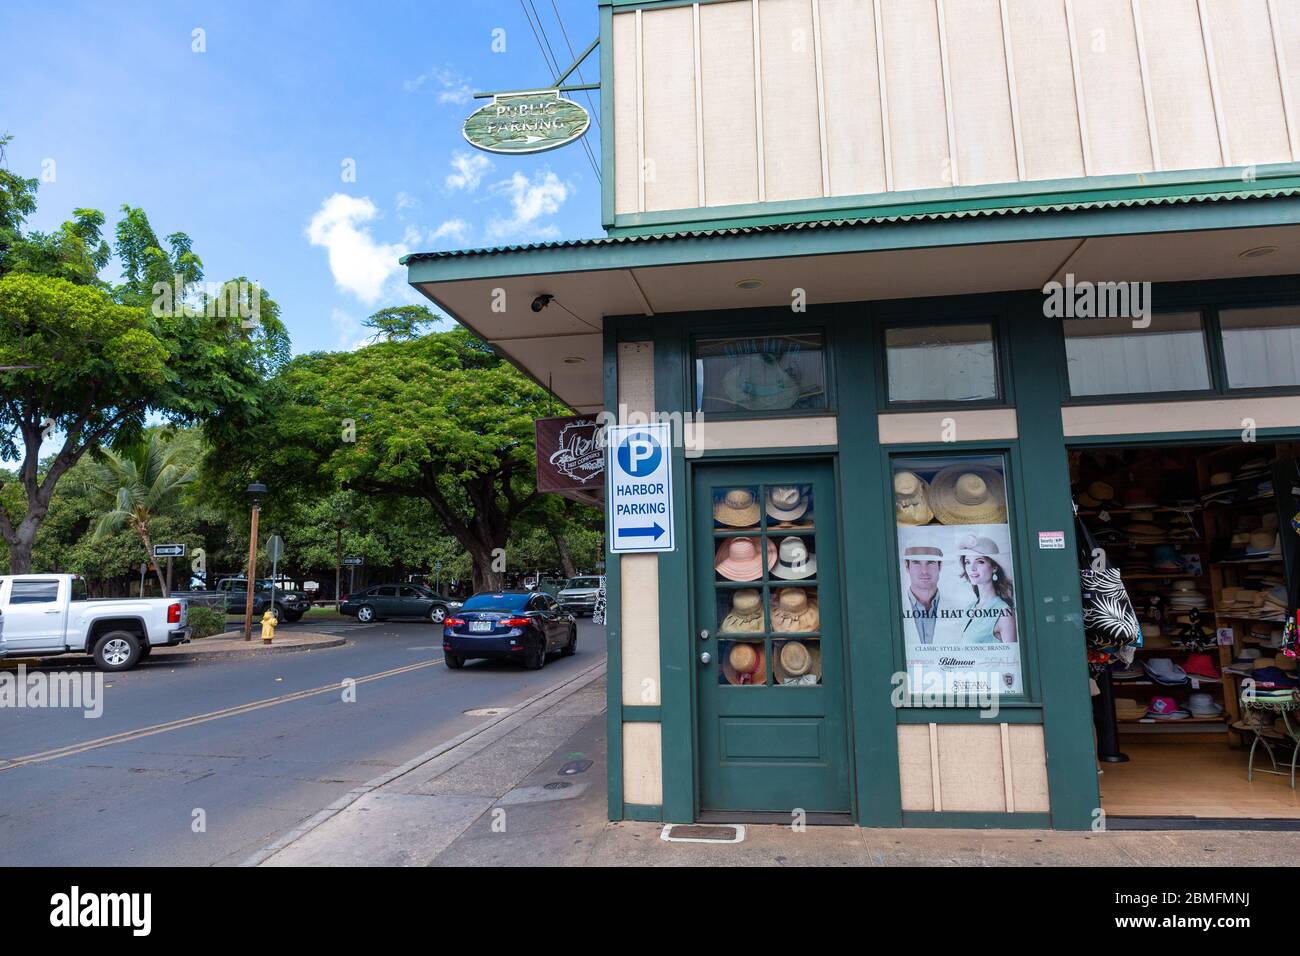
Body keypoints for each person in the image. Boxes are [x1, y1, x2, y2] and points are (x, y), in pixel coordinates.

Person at [957, 535, 1017, 644]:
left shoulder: (1004, 613)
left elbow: (1010, 658)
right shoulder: (968, 609)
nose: (972, 568)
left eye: (980, 561)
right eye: (968, 562)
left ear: (994, 567)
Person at [901, 543, 945, 645]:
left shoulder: (961, 609)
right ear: (907, 566)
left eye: (930, 563)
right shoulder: (892, 607)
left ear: (940, 566)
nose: (924, 571)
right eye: (916, 562)